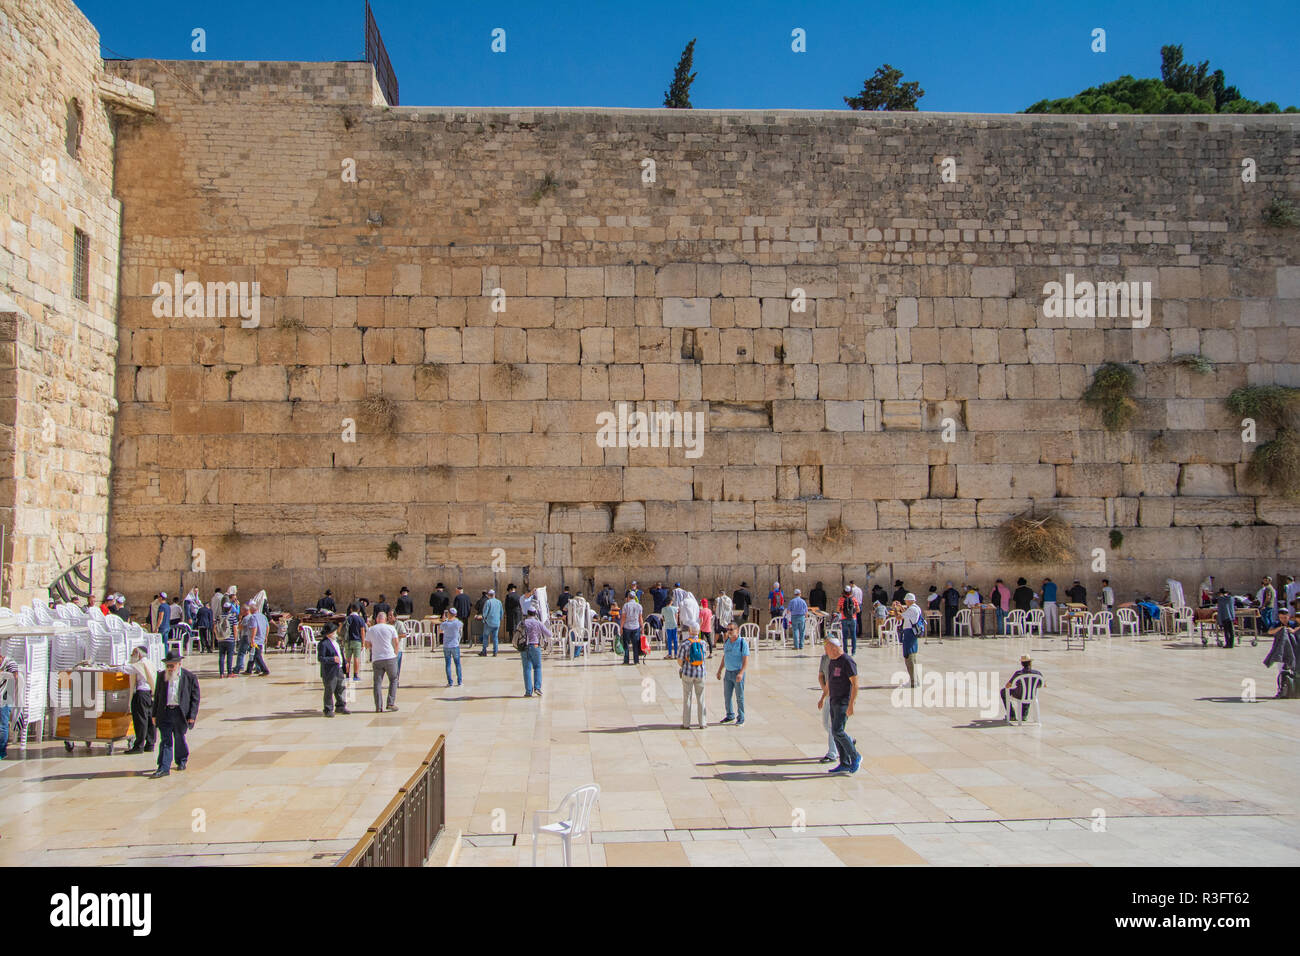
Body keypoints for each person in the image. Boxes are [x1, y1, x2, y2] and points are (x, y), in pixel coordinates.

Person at [148, 651, 199, 778]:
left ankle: (181, 759)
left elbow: (195, 698)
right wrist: (154, 714)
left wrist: (192, 716)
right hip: (165, 712)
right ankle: (163, 767)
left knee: (179, 737)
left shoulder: (189, 677)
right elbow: (158, 696)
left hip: (180, 713)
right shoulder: (161, 676)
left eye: (172, 666)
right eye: (168, 666)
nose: (170, 669)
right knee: (165, 740)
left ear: (179, 664)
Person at [818, 636, 861, 774]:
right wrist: (823, 697)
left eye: (827, 648)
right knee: (835, 732)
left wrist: (851, 704)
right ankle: (844, 762)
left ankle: (855, 756)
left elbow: (855, 684)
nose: (826, 651)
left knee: (837, 730)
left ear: (834, 648)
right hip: (833, 700)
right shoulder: (832, 662)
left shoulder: (847, 661)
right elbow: (829, 682)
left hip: (843, 701)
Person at [365, 611, 401, 712]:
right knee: (393, 679)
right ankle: (390, 703)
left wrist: (374, 646)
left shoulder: (371, 629)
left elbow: (367, 645)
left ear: (377, 619)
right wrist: (396, 653)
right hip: (390, 657)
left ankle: (378, 706)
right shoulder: (390, 628)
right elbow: (396, 642)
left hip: (377, 658)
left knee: (377, 683)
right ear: (385, 619)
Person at [123, 647, 156, 754]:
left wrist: (109, 668)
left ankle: (139, 745)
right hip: (150, 693)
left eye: (133, 654)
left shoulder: (139, 665)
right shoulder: (149, 663)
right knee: (149, 719)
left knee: (140, 720)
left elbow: (126, 669)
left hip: (141, 694)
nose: (132, 656)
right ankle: (150, 743)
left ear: (139, 655)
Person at [716, 621, 749, 725]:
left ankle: (741, 717)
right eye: (728, 629)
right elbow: (725, 656)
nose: (729, 632)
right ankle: (730, 715)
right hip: (728, 672)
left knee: (739, 696)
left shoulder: (742, 643)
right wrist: (720, 670)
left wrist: (741, 673)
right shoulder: (727, 642)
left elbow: (745, 660)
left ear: (737, 630)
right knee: (727, 695)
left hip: (737, 672)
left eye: (731, 629)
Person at [678, 622, 709, 729]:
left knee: (687, 697)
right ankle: (703, 723)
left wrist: (684, 665)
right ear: (699, 631)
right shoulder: (703, 643)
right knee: (701, 698)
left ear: (690, 631)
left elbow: (679, 661)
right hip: (700, 673)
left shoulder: (685, 644)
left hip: (688, 673)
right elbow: (703, 657)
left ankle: (686, 723)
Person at [1263, 609, 1298, 698]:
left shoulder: (1293, 624)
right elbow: (1270, 631)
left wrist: (1293, 630)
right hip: (1281, 650)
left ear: (1289, 616)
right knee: (1282, 670)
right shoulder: (1277, 624)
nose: (1283, 619)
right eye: (1281, 618)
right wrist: (1281, 629)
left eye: (1285, 617)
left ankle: (1292, 689)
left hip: (1293, 648)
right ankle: (1282, 689)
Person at [317, 623, 350, 717]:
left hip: (339, 669)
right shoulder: (323, 644)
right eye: (334, 631)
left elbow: (340, 653)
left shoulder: (337, 642)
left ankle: (341, 706)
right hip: (329, 671)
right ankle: (328, 709)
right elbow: (321, 658)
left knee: (341, 688)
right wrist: (332, 659)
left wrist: (345, 662)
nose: (336, 633)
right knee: (330, 689)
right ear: (329, 633)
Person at [1001, 655, 1044, 722]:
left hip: (1019, 694)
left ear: (1022, 664)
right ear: (1030, 663)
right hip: (1032, 695)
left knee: (1003, 691)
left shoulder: (1018, 673)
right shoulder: (1037, 673)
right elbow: (1041, 685)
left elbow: (1008, 685)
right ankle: (1024, 715)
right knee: (1028, 691)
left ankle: (1011, 715)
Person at [894, 593, 923, 688]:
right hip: (912, 633)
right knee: (913, 657)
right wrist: (900, 607)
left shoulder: (912, 609)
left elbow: (899, 617)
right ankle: (915, 680)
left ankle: (913, 681)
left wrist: (895, 609)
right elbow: (906, 611)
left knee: (908, 657)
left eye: (906, 601)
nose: (905, 602)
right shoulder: (916, 608)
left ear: (909, 601)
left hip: (909, 633)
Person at [521, 608, 549, 697]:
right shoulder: (538, 623)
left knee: (526, 669)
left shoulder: (523, 622)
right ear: (535, 614)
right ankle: (537, 688)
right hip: (535, 645)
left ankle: (528, 691)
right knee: (537, 667)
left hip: (524, 646)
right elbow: (549, 633)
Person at [241, 600, 270, 676]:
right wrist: (266, 636)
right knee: (252, 654)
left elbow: (254, 628)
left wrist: (252, 639)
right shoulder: (263, 616)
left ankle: (265, 670)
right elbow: (267, 627)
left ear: (251, 610)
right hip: (261, 638)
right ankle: (249, 670)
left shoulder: (253, 617)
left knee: (257, 655)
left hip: (256, 639)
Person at [440, 608, 464, 687]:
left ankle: (450, 682)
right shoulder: (458, 623)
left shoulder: (445, 624)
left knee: (448, 664)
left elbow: (440, 630)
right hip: (455, 645)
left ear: (448, 614)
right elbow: (461, 626)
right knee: (457, 664)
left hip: (446, 645)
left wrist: (444, 620)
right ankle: (460, 682)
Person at [621, 590, 644, 665]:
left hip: (627, 627)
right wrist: (642, 627)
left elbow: (623, 617)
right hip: (636, 626)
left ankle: (626, 660)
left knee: (626, 644)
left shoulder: (625, 605)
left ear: (628, 597)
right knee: (636, 644)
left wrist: (621, 627)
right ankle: (636, 661)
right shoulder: (639, 606)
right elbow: (640, 618)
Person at [344, 602, 366, 682]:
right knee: (356, 658)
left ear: (351, 609)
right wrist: (363, 643)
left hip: (348, 641)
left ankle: (347, 675)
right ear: (359, 610)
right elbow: (362, 631)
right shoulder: (360, 619)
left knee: (348, 659)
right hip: (357, 641)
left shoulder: (347, 618)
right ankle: (355, 675)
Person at [479, 588, 503, 657]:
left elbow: (485, 613)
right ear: (494, 595)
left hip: (488, 623)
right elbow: (501, 612)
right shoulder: (499, 602)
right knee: (495, 637)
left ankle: (484, 651)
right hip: (496, 623)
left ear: (489, 595)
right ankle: (495, 652)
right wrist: (499, 619)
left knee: (485, 636)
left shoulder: (488, 602)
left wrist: (484, 620)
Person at [836, 586, 859, 653]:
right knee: (853, 635)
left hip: (844, 619)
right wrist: (853, 612)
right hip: (853, 619)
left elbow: (837, 609)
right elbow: (858, 610)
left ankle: (845, 651)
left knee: (845, 636)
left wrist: (842, 611)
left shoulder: (841, 599)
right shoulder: (854, 599)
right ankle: (853, 651)